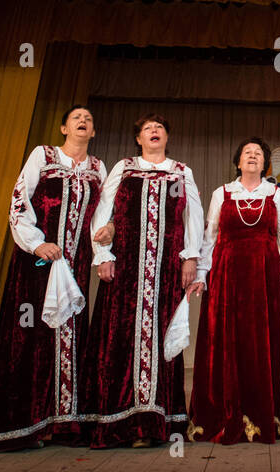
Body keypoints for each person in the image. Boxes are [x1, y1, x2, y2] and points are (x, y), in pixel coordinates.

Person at [0, 106, 106, 452]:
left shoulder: (97, 167)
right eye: (76, 118)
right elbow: (19, 202)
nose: (83, 121)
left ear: (93, 131)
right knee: (29, 334)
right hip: (37, 262)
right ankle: (20, 422)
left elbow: (100, 215)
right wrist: (37, 244)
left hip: (76, 263)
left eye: (89, 119)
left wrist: (105, 233)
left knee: (69, 332)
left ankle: (64, 422)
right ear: (63, 126)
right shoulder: (44, 155)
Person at [80, 113, 203, 448]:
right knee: (120, 336)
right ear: (138, 138)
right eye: (148, 128)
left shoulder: (181, 171)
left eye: (160, 128)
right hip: (127, 267)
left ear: (166, 137)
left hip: (165, 268)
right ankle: (120, 418)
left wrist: (191, 256)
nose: (154, 131)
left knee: (160, 338)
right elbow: (103, 212)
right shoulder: (124, 168)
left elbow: (194, 215)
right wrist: (102, 255)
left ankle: (155, 419)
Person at [188, 137, 280, 444]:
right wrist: (202, 273)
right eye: (247, 153)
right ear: (238, 161)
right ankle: (221, 411)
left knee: (260, 343)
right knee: (225, 342)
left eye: (258, 153)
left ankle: (261, 413)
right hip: (226, 276)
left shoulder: (276, 194)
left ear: (265, 163)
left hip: (263, 277)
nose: (253, 156)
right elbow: (210, 236)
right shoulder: (223, 193)